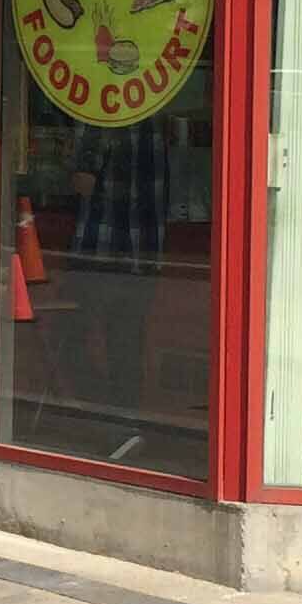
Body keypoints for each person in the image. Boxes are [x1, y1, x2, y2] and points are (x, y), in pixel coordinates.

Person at [68, 116, 169, 441]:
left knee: (72, 335)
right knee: (127, 341)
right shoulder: (153, 116)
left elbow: (83, 183)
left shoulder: (99, 116)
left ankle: (103, 419)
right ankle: (125, 421)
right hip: (145, 248)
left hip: (102, 246)